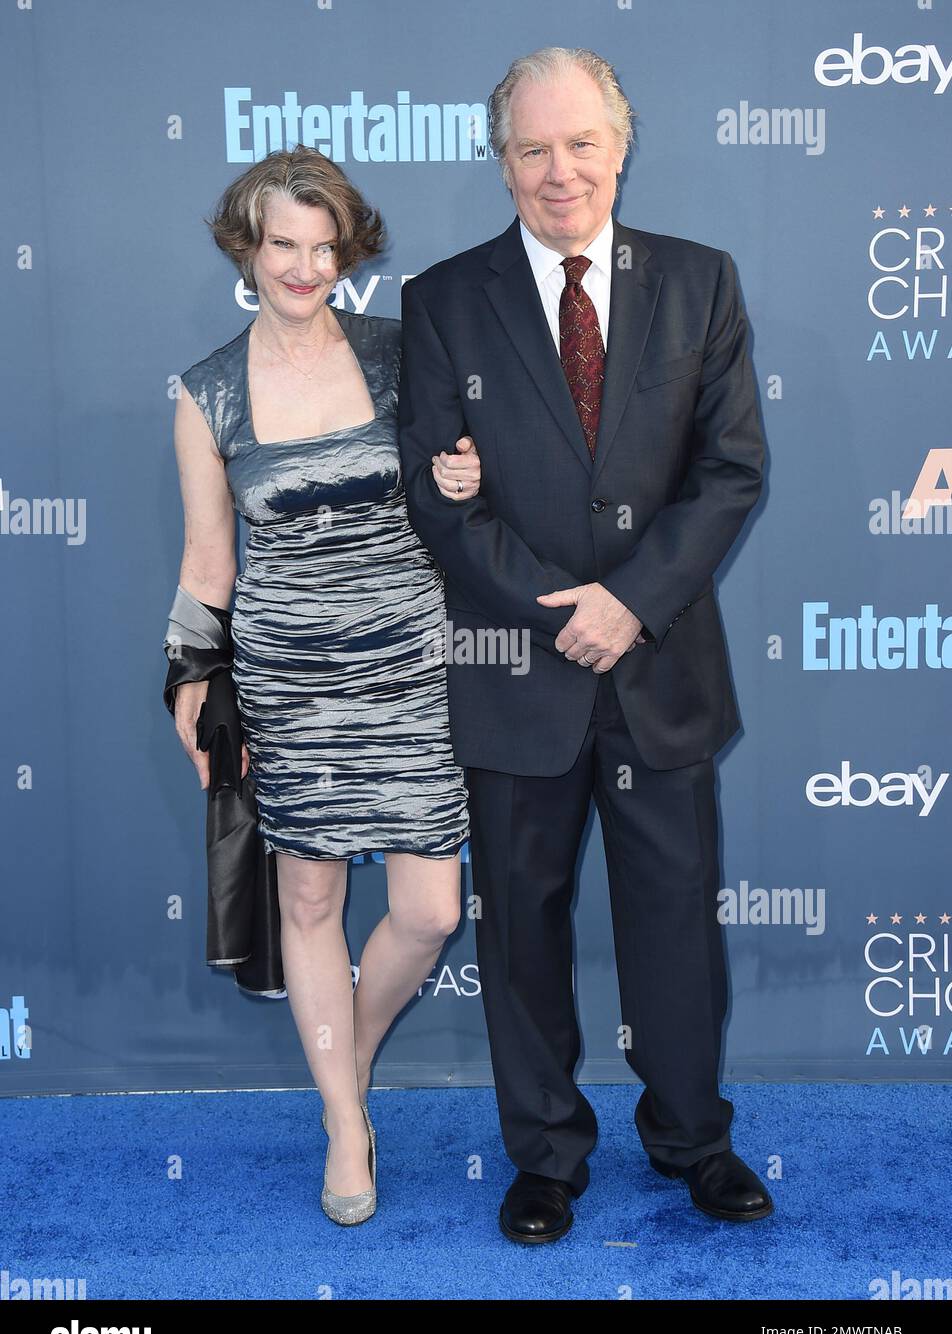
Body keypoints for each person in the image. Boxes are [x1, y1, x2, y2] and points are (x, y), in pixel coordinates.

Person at [399, 46, 770, 1241]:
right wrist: (567, 610)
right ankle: (546, 1157)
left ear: (621, 145)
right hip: (517, 672)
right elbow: (437, 496)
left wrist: (632, 602)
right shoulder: (443, 300)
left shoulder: (699, 282)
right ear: (498, 161)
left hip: (658, 665)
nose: (559, 172)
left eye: (580, 144)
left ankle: (691, 1140)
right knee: (521, 926)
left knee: (673, 920)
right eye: (531, 150)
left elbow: (729, 470)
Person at [166, 146, 481, 1226]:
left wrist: (463, 475)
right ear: (245, 250)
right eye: (280, 246)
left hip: (408, 668)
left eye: (321, 246)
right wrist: (190, 680)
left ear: (346, 250)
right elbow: (208, 566)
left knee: (430, 909)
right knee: (309, 899)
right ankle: (346, 1119)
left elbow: (466, 485)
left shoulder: (402, 354)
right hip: (288, 679)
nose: (302, 267)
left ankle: (340, 1049)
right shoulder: (206, 392)